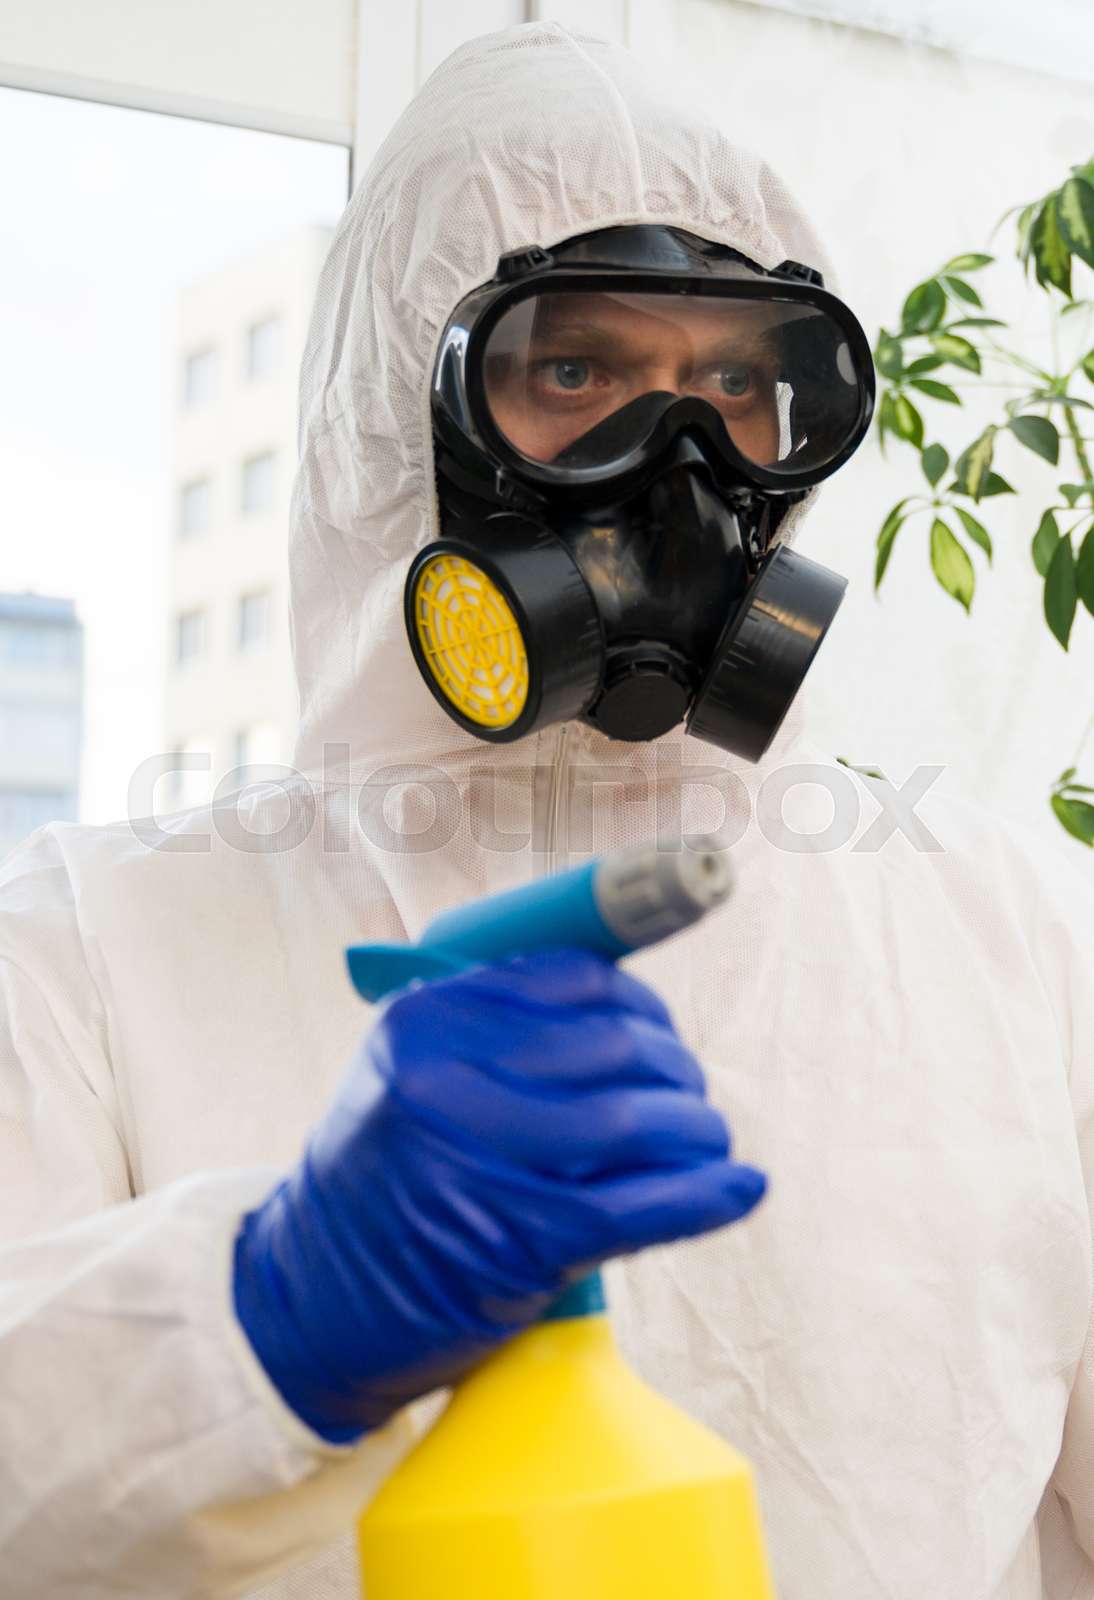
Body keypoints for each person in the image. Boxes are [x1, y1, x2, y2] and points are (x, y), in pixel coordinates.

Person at [0, 21, 1091, 1600]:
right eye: (571, 371)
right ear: (397, 417)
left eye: (732, 386)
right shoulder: (94, 947)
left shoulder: (1008, 937)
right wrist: (255, 1318)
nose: (672, 466)